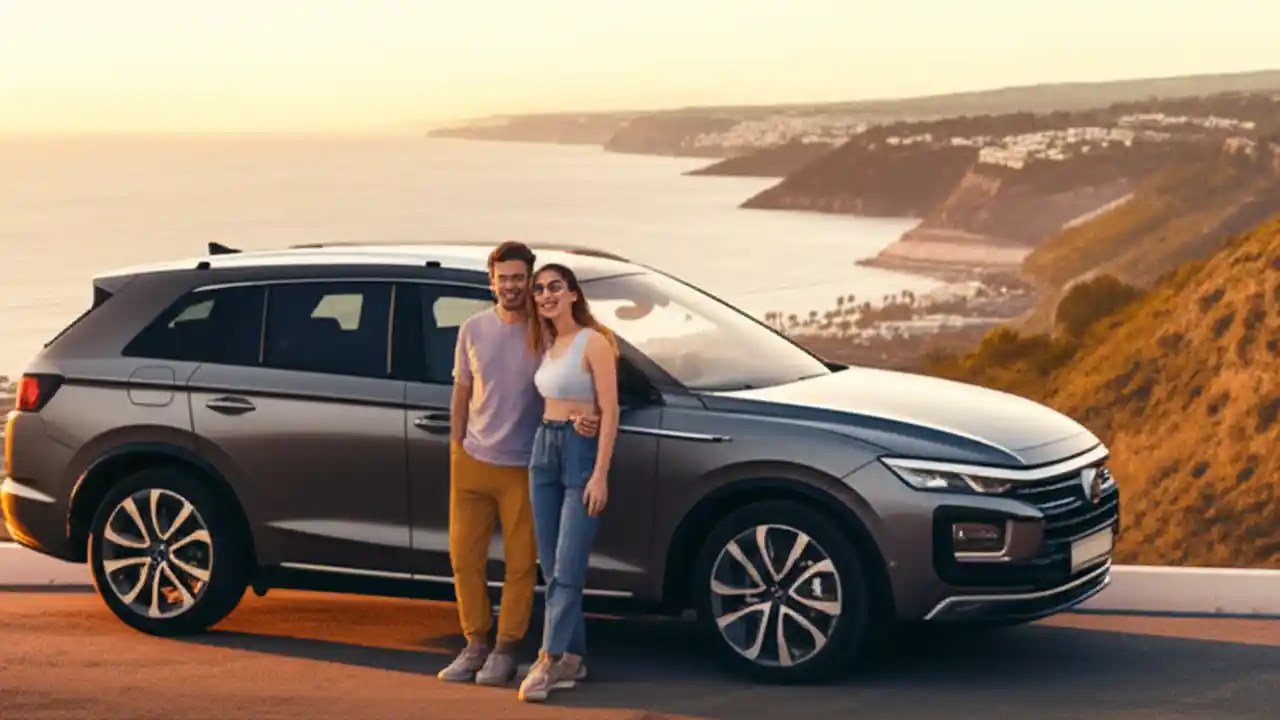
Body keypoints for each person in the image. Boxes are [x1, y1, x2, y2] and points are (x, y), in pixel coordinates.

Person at [437, 242, 598, 686]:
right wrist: (456, 446)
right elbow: (461, 391)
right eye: (502, 278)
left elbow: (571, 376)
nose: (510, 286)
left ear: (529, 281)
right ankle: (475, 643)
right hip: (472, 459)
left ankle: (505, 650)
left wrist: (586, 415)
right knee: (464, 559)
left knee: (521, 565)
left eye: (518, 278)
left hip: (525, 464)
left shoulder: (543, 332)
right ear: (491, 282)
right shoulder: (472, 329)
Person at [517, 263, 620, 703]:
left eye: (555, 287)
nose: (546, 295)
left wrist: (600, 474)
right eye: (539, 289)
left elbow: (610, 410)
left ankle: (548, 659)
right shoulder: (546, 343)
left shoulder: (593, 342)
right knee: (551, 566)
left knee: (567, 565)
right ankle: (572, 659)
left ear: (574, 293)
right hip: (544, 448)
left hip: (580, 454)